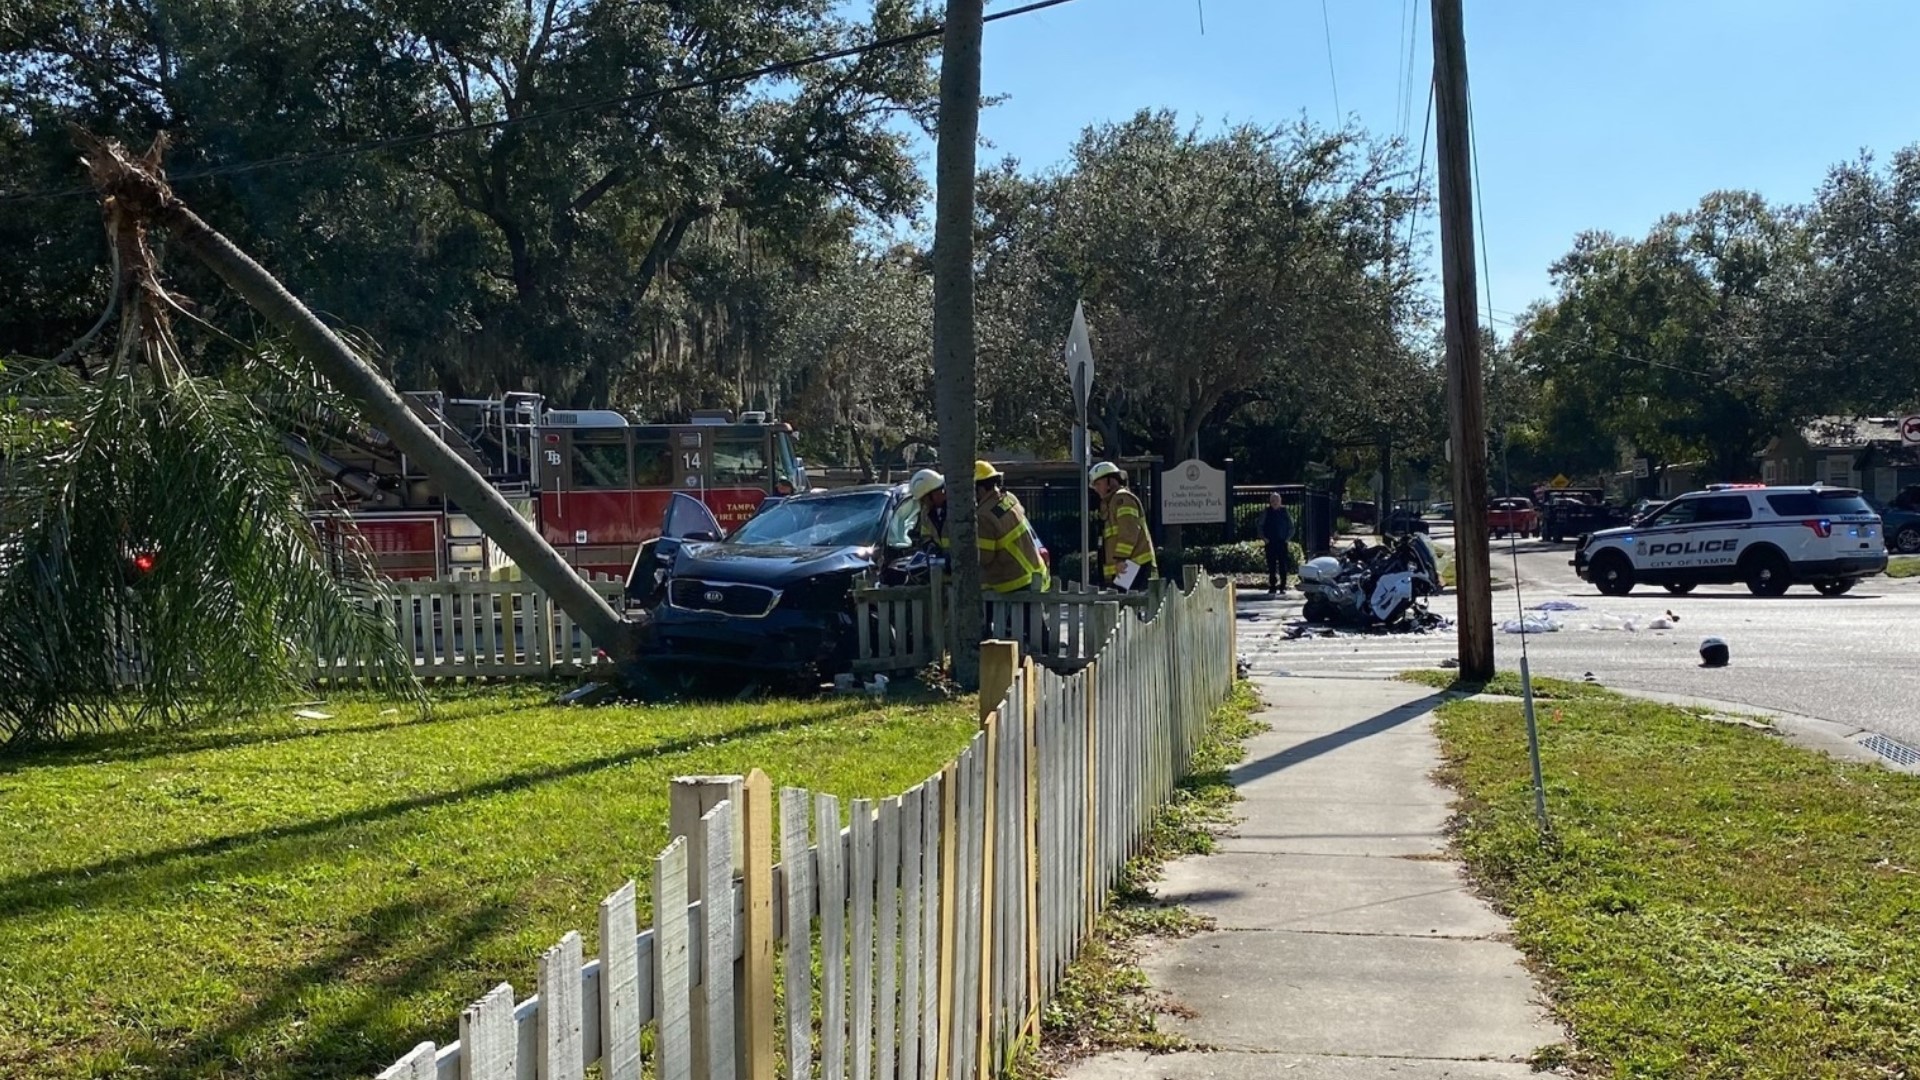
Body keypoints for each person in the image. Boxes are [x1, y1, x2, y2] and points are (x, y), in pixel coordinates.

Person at [974, 460, 1052, 651]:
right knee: (1035, 628)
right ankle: (1050, 660)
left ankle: (1043, 664)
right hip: (1032, 570)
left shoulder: (983, 516)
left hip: (1011, 579)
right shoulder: (1009, 499)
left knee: (1015, 631)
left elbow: (984, 557)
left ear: (980, 489)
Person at [1088, 460, 1156, 590]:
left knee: (1127, 605)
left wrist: (1120, 560)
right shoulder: (1110, 502)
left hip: (1132, 565)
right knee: (1122, 606)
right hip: (1126, 566)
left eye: (1098, 484)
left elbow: (1129, 532)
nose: (1096, 489)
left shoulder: (1122, 499)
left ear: (1110, 481)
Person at [1259, 491, 1294, 595]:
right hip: (1270, 543)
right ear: (1270, 502)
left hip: (1282, 542)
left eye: (1277, 500)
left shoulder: (1285, 512)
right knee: (1271, 566)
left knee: (1283, 565)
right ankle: (1272, 586)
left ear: (1280, 501)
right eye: (1273, 500)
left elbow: (1291, 527)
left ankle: (1283, 586)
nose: (1274, 502)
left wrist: (1287, 539)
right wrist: (1264, 538)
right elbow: (1260, 526)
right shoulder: (1266, 512)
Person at [908, 468, 949, 552]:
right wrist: (929, 545)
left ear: (933, 494)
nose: (923, 503)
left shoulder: (955, 509)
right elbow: (925, 536)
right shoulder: (926, 513)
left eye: (923, 499)